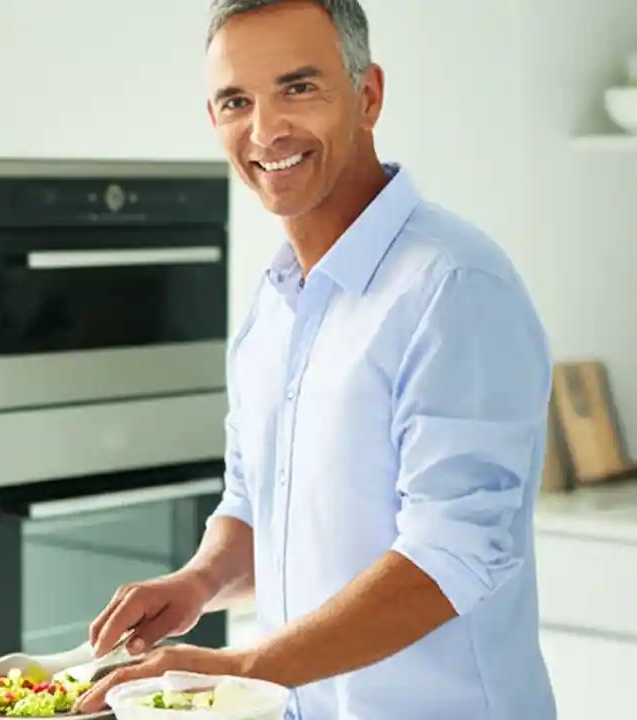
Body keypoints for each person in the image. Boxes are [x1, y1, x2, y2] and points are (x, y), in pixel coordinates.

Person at [74, 1, 557, 718]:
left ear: (368, 96)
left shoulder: (453, 287)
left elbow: (449, 557)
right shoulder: (274, 306)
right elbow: (259, 506)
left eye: (299, 88)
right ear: (215, 120)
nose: (266, 131)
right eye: (237, 100)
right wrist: (201, 581)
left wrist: (243, 669)